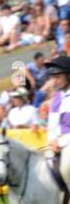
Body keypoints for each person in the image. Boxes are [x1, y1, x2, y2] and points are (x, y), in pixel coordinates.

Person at [40, 55, 70, 191]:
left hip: (67, 142)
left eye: (58, 77)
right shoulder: (57, 97)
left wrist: (60, 143)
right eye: (53, 77)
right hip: (57, 142)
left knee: (66, 166)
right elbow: (52, 126)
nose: (54, 81)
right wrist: (52, 142)